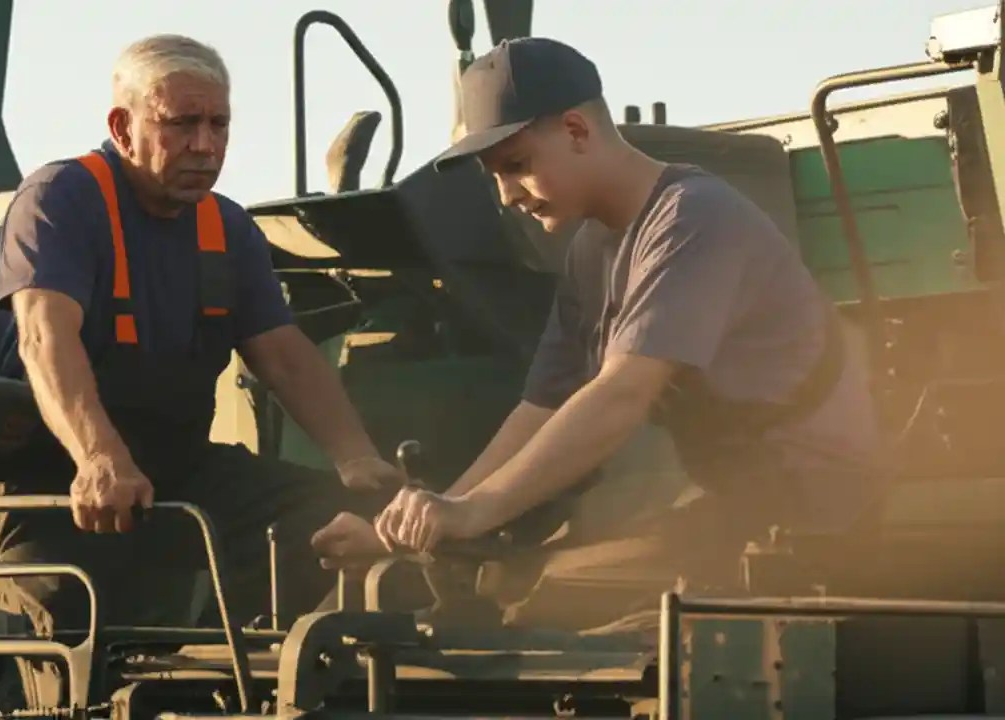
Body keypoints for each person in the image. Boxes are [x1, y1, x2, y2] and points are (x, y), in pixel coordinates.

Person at [312, 37, 885, 631]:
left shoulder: (693, 217)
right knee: (512, 588)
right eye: (495, 176)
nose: (506, 195)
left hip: (812, 508)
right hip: (738, 504)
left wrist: (472, 513)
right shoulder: (593, 248)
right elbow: (542, 407)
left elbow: (621, 395)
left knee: (542, 606)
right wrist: (415, 528)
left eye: (516, 165)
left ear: (578, 131)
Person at [0, 34, 401, 707]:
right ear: (123, 126)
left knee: (333, 516)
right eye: (182, 124)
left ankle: (211, 680)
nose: (205, 144)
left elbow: (285, 354)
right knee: (84, 659)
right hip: (52, 486)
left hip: (179, 471)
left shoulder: (226, 228)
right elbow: (44, 337)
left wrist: (357, 459)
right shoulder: (61, 198)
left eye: (218, 124)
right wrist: (99, 457)